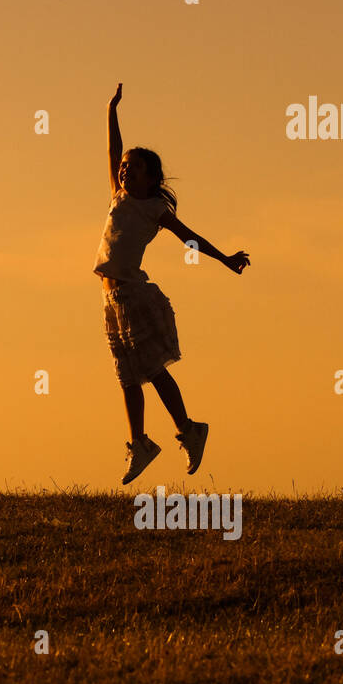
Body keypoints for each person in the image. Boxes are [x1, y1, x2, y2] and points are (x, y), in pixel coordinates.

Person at [94, 83, 251, 484]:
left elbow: (189, 237)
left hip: (133, 297)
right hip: (110, 302)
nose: (125, 169)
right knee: (127, 376)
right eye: (124, 166)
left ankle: (189, 428)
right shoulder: (118, 196)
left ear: (153, 178)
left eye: (135, 167)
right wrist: (111, 110)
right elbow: (113, 149)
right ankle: (141, 443)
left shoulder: (153, 209)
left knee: (152, 370)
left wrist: (225, 259)